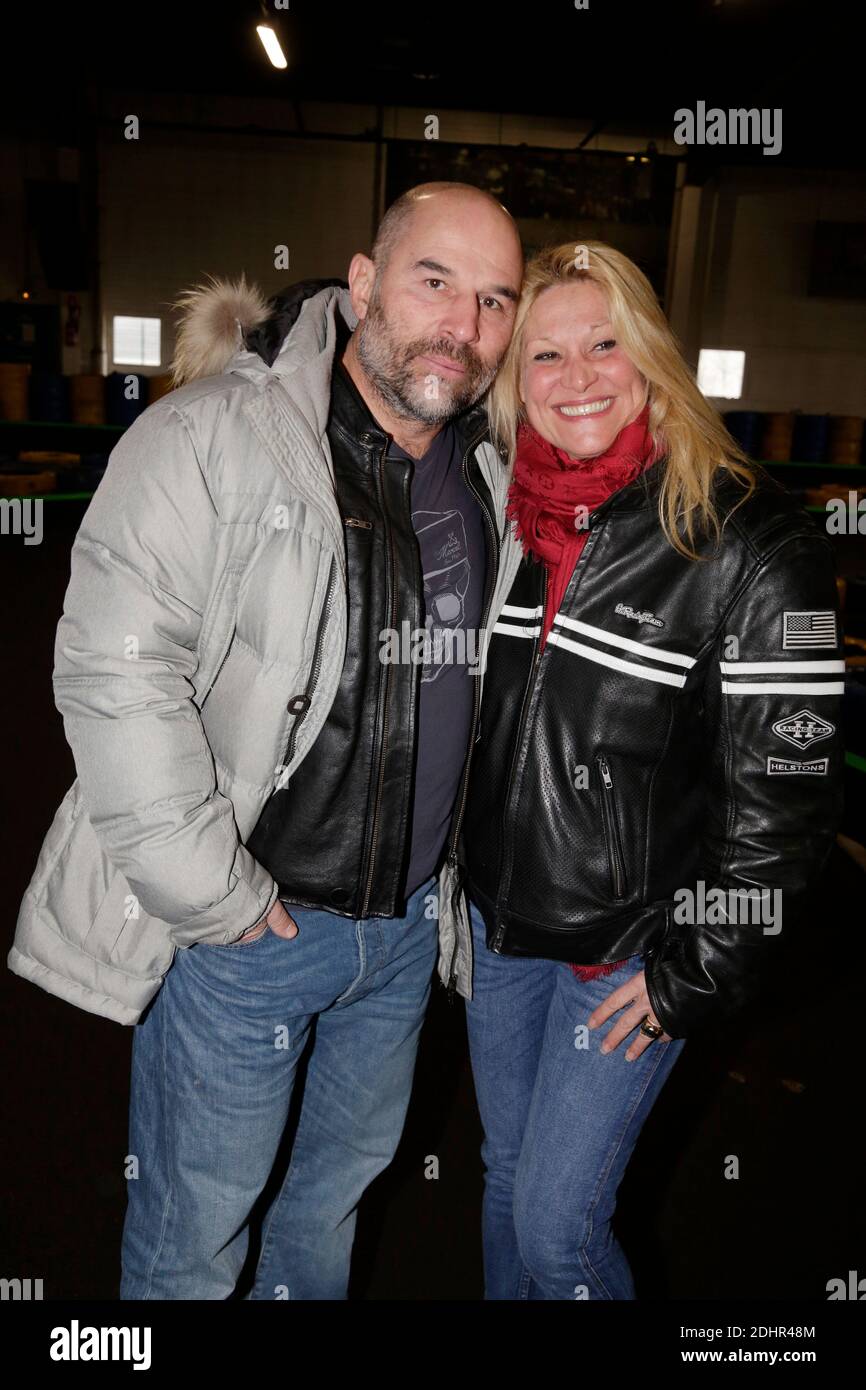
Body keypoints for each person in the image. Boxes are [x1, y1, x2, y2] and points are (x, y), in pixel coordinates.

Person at [8, 182, 524, 1298]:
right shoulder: (211, 437)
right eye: (434, 281)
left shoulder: (482, 476)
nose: (462, 325)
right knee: (193, 1244)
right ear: (365, 282)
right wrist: (219, 899)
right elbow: (115, 675)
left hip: (396, 949)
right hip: (249, 935)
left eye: (493, 299)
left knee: (323, 1220)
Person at [437, 240, 844, 1300]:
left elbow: (785, 809)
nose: (574, 379)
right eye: (543, 355)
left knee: (554, 1228)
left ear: (651, 355)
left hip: (622, 955)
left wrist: (689, 972)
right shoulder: (520, 516)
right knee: (501, 1179)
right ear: (512, 380)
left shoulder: (754, 540)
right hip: (499, 927)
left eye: (602, 345)